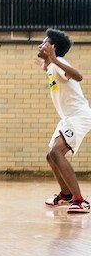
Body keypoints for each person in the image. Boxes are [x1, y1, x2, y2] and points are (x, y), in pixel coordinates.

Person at [38, 30, 91, 213]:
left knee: (57, 152)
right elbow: (52, 70)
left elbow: (78, 76)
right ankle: (66, 195)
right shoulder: (53, 66)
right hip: (68, 118)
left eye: (44, 43)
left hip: (79, 116)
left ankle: (80, 200)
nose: (40, 45)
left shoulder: (59, 63)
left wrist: (53, 60)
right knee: (50, 156)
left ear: (53, 48)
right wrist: (46, 64)